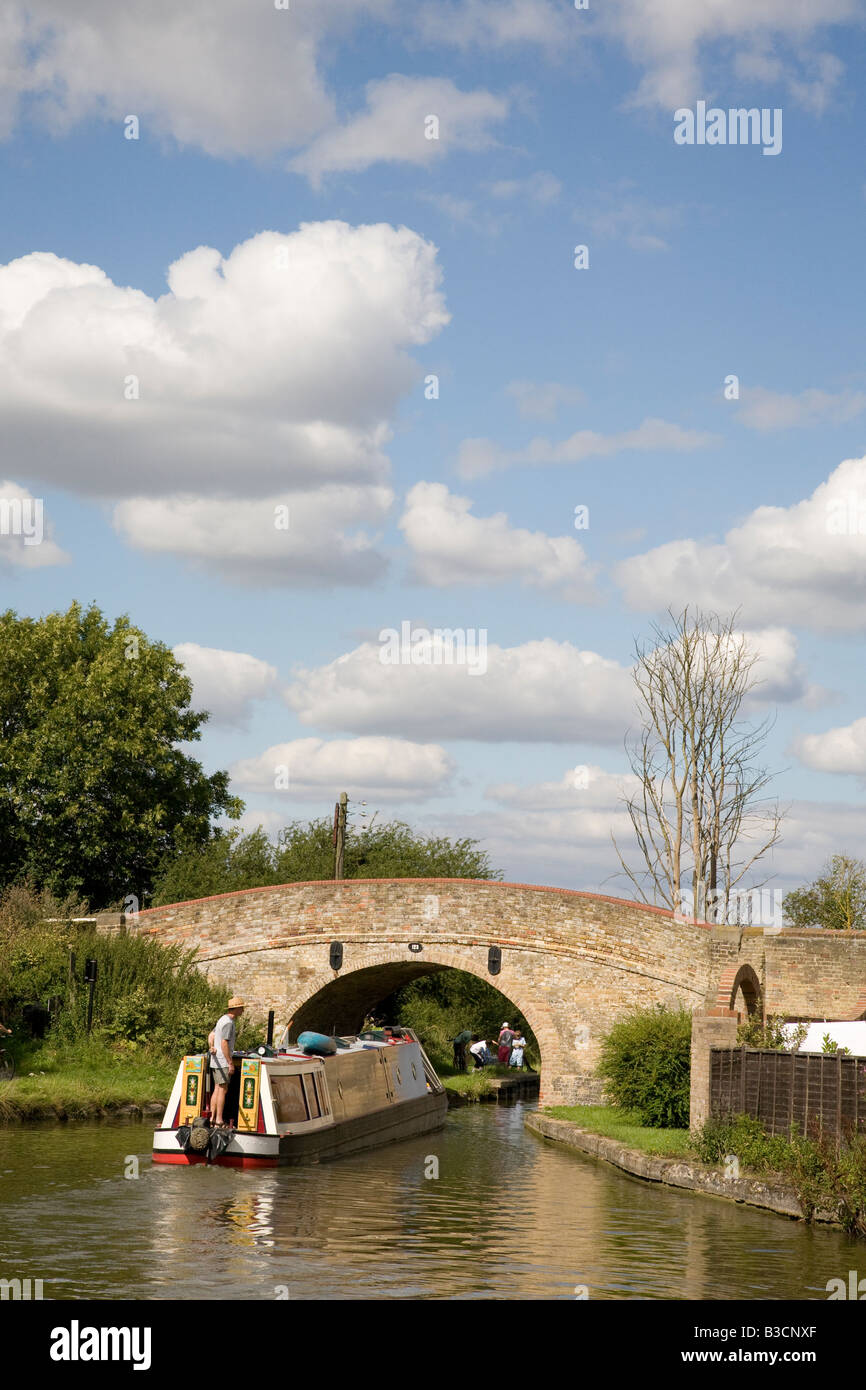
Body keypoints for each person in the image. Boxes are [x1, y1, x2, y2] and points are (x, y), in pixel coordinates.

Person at [209, 995, 245, 1126]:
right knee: (223, 1090)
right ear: (235, 1009)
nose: (243, 1011)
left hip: (215, 1060)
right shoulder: (229, 1023)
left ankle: (212, 1118)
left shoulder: (221, 1019)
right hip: (223, 1061)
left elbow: (211, 1035)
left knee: (217, 1088)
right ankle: (219, 1119)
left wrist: (211, 1046)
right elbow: (224, 1043)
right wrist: (230, 1063)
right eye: (241, 1008)